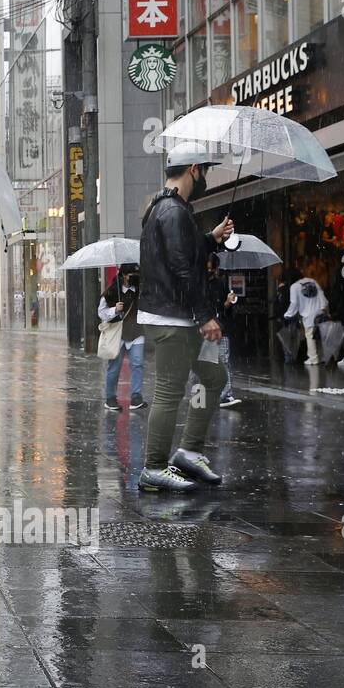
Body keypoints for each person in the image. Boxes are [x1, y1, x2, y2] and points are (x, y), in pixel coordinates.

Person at [136, 146, 235, 493]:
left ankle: (188, 452)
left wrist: (211, 239)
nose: (206, 177)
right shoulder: (173, 211)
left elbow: (182, 255)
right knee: (168, 392)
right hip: (173, 317)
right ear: (194, 169)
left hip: (173, 315)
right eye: (205, 170)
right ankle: (154, 467)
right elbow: (181, 269)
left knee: (214, 376)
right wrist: (206, 315)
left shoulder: (165, 208)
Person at [98, 263, 145, 412]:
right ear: (124, 276)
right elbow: (101, 313)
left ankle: (136, 396)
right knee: (114, 367)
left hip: (137, 333)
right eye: (131, 275)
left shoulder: (141, 291)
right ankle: (110, 398)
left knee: (137, 364)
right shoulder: (111, 292)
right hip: (117, 335)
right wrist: (115, 310)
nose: (134, 278)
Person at [206, 254, 241, 407]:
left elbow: (223, 309)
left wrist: (228, 302)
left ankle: (225, 395)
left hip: (220, 328)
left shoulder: (220, 284)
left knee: (223, 361)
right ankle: (199, 397)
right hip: (201, 329)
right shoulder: (195, 284)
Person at [285, 270, 328, 366]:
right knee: (319, 335)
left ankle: (313, 358)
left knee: (310, 335)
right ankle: (322, 356)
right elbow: (322, 296)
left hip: (308, 315)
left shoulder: (294, 286)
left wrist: (288, 314)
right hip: (319, 311)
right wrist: (324, 308)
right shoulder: (312, 281)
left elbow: (294, 303)